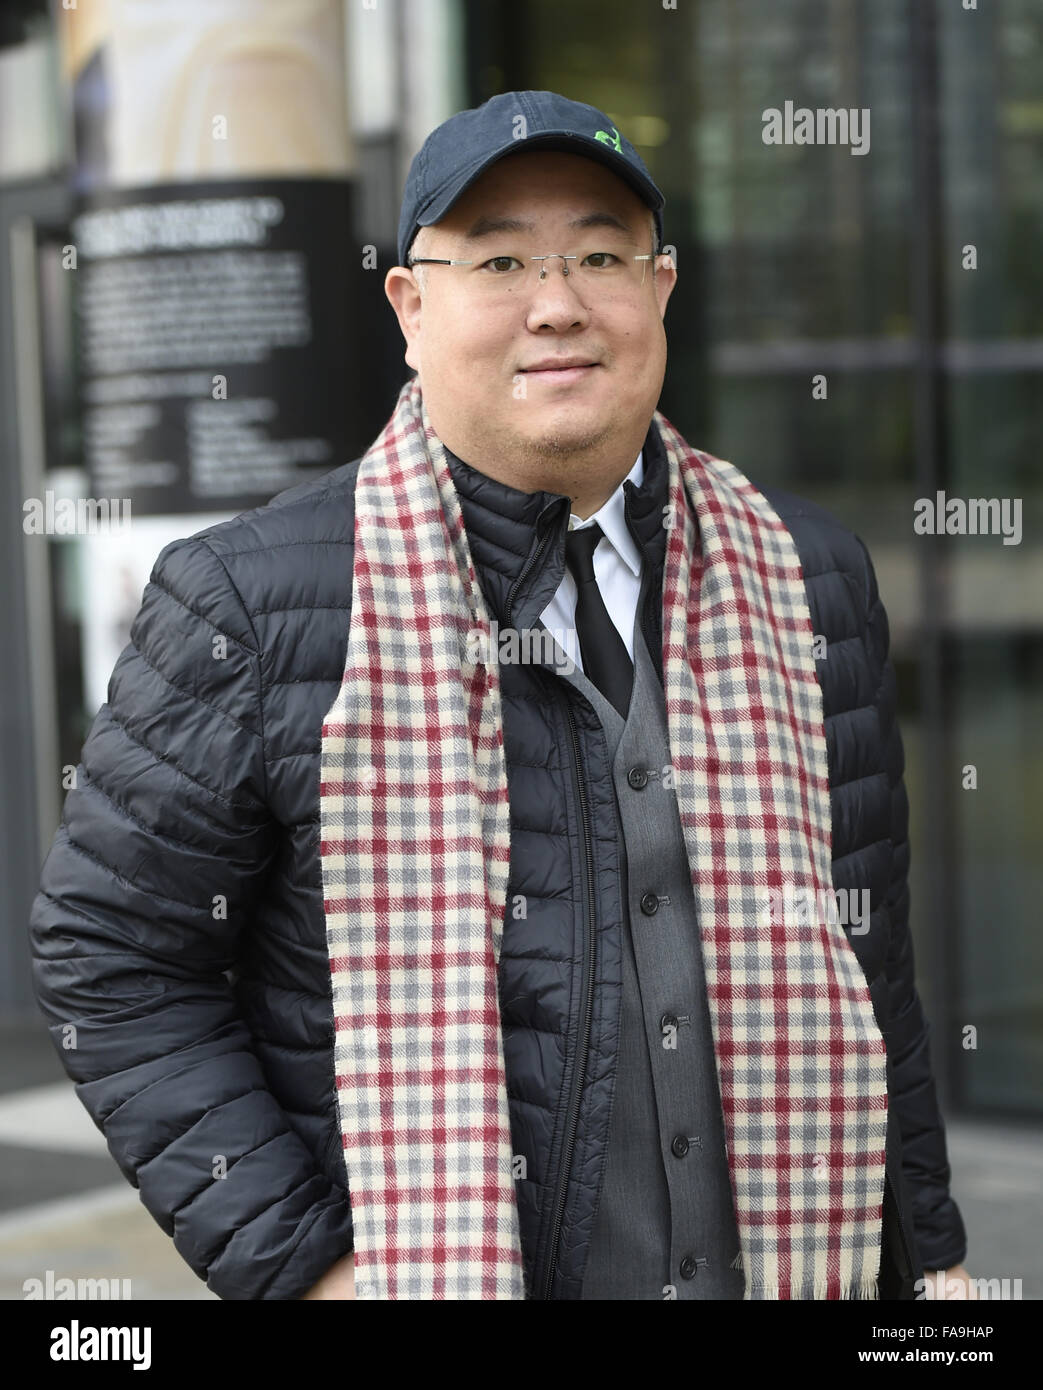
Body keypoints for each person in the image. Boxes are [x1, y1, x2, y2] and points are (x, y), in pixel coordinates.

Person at [29, 89, 968, 1301]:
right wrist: (306, 1268)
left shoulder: (808, 573)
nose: (558, 301)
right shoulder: (245, 601)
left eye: (597, 253)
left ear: (660, 288)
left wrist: (930, 1252)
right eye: (499, 258)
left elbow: (867, 960)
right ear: (410, 307)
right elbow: (114, 959)